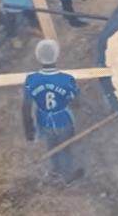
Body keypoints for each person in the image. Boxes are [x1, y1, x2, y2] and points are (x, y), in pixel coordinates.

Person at [23, 39, 85, 184]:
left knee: (51, 144)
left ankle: (55, 169)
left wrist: (28, 129)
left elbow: (25, 106)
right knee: (64, 148)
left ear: (38, 57)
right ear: (57, 56)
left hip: (43, 120)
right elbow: (76, 101)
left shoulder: (31, 79)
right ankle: (68, 177)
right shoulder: (67, 79)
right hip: (63, 119)